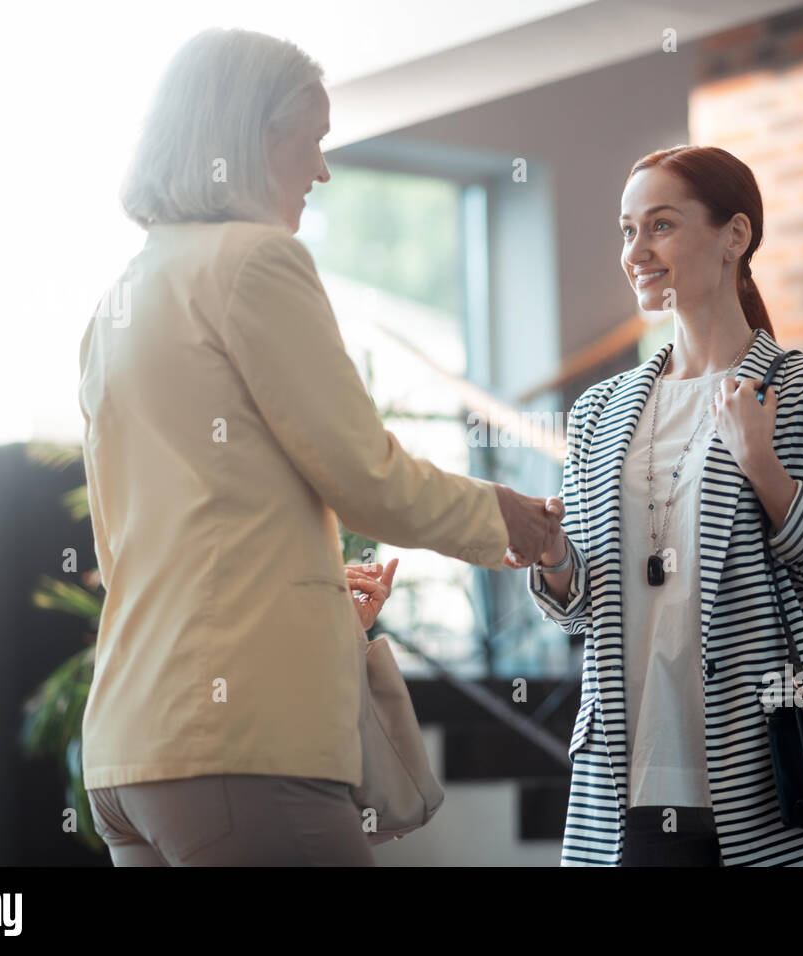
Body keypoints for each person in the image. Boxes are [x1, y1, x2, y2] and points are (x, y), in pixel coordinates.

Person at [80, 27, 560, 866]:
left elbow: (139, 541)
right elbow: (364, 473)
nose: (323, 170)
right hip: (240, 742)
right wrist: (506, 517)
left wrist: (300, 592)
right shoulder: (257, 261)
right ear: (257, 135)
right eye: (315, 140)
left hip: (135, 752)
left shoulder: (120, 300)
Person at [527, 145, 803, 866]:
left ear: (735, 236)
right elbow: (578, 609)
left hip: (774, 778)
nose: (637, 251)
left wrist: (766, 470)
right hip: (625, 776)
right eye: (627, 230)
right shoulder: (597, 412)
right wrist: (550, 558)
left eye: (660, 226)